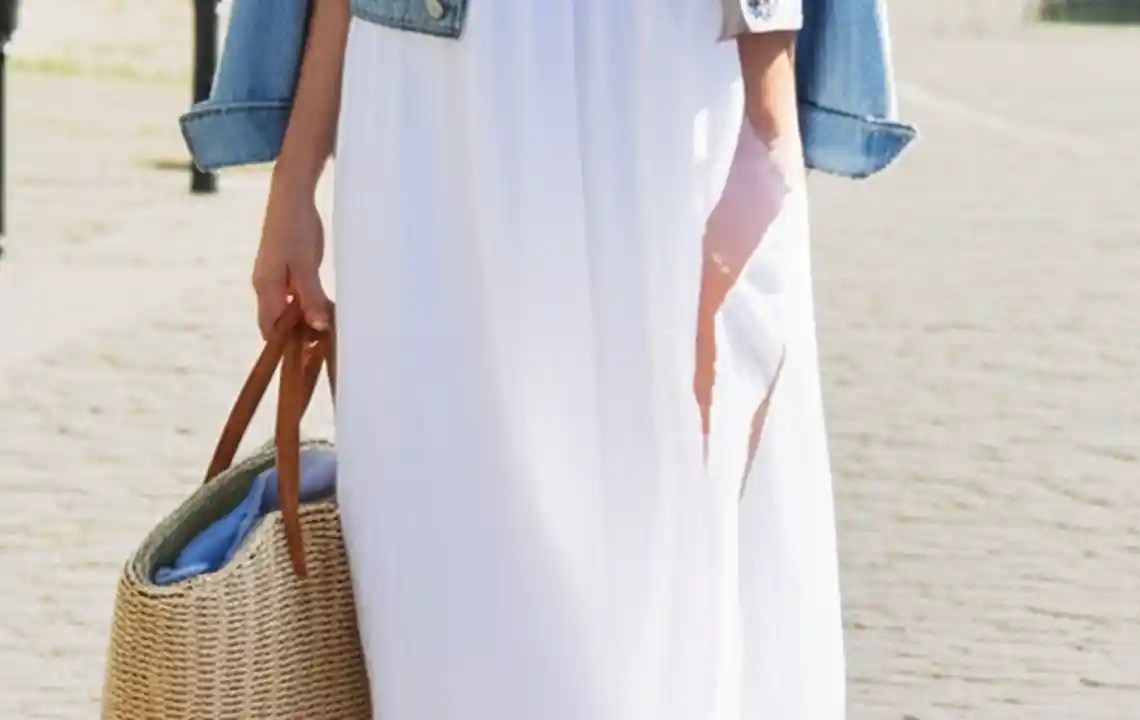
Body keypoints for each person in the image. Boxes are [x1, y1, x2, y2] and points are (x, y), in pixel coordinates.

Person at [227, 0, 913, 717]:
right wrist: (293, 182)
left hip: (663, 87)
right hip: (431, 111)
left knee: (671, 551)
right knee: (450, 570)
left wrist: (769, 131)